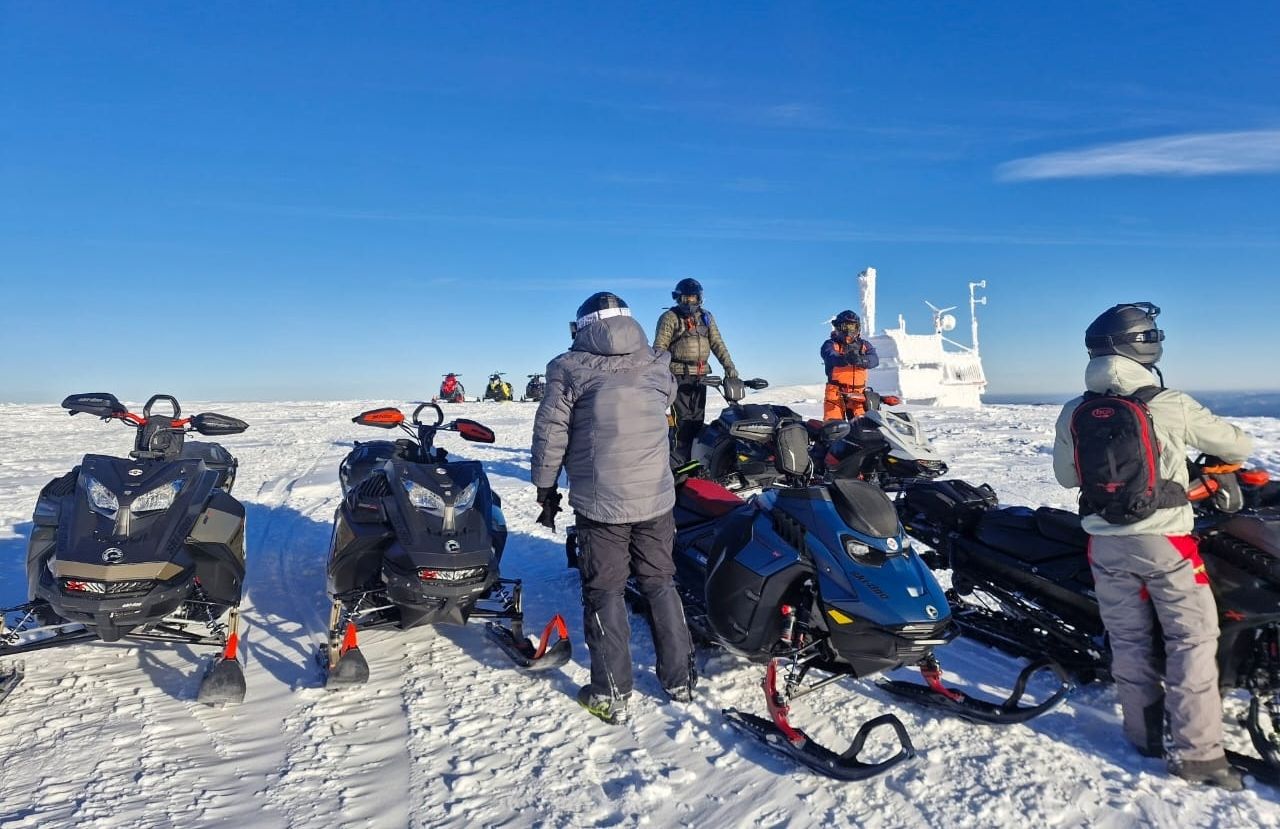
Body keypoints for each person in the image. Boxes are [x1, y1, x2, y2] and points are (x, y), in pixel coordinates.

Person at [1052, 302, 1252, 790]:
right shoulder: (1169, 402)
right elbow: (1239, 447)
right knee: (1192, 640)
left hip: (1104, 544)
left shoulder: (1075, 410)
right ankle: (1198, 756)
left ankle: (1142, 737)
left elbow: (1066, 477)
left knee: (1129, 640)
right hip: (1166, 542)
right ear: (1142, 346)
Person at [531, 291, 695, 725]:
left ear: (583, 326)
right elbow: (667, 396)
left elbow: (551, 432)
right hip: (655, 497)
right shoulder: (655, 361)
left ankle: (611, 692)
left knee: (605, 591)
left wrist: (545, 487)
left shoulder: (568, 367)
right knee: (660, 583)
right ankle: (680, 679)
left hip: (602, 503)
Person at [653, 278, 737, 464]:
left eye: (693, 298)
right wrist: (658, 374)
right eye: (686, 298)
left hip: (701, 376)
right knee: (682, 420)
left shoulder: (706, 317)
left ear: (700, 298)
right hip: (679, 375)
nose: (690, 302)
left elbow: (717, 343)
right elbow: (659, 348)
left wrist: (729, 366)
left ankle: (696, 459)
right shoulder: (670, 317)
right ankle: (679, 461)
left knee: (698, 419)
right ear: (678, 298)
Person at [821, 310, 879, 420]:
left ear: (858, 328)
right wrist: (845, 359)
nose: (849, 330)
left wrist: (861, 360)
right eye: (845, 326)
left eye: (852, 326)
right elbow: (830, 356)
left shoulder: (864, 345)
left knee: (864, 424)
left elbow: (874, 360)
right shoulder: (830, 344)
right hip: (836, 393)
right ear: (838, 327)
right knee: (834, 425)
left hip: (859, 394)